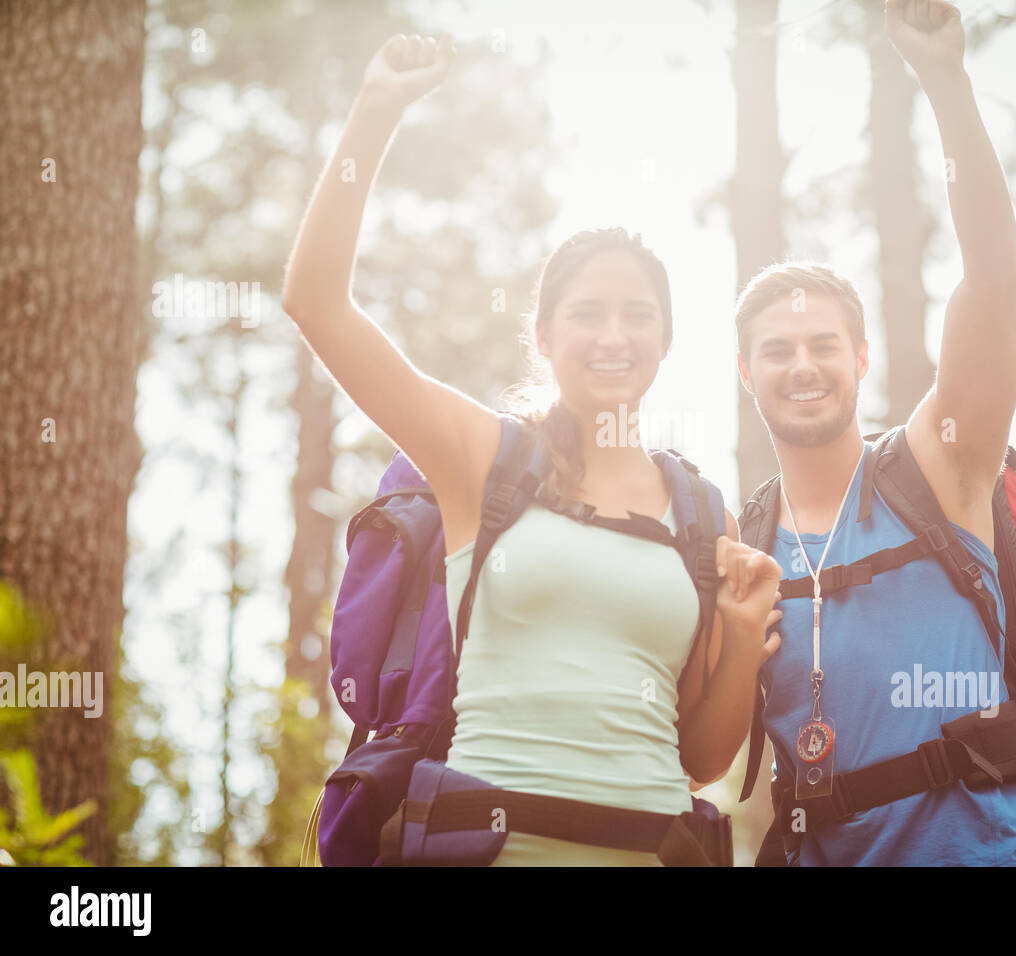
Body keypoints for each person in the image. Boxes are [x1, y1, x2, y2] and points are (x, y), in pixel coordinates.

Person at [282, 33, 782, 864]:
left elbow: (701, 758)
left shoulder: (701, 512)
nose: (613, 335)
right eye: (587, 313)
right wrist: (377, 111)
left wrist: (738, 627)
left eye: (637, 314)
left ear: (665, 338)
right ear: (545, 336)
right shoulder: (483, 459)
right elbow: (316, 302)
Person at [735, 0, 1016, 865]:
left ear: (862, 358)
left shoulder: (939, 466)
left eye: (824, 344)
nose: (803, 365)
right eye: (779, 350)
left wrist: (943, 78)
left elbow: (992, 277)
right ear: (745, 372)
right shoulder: (742, 546)